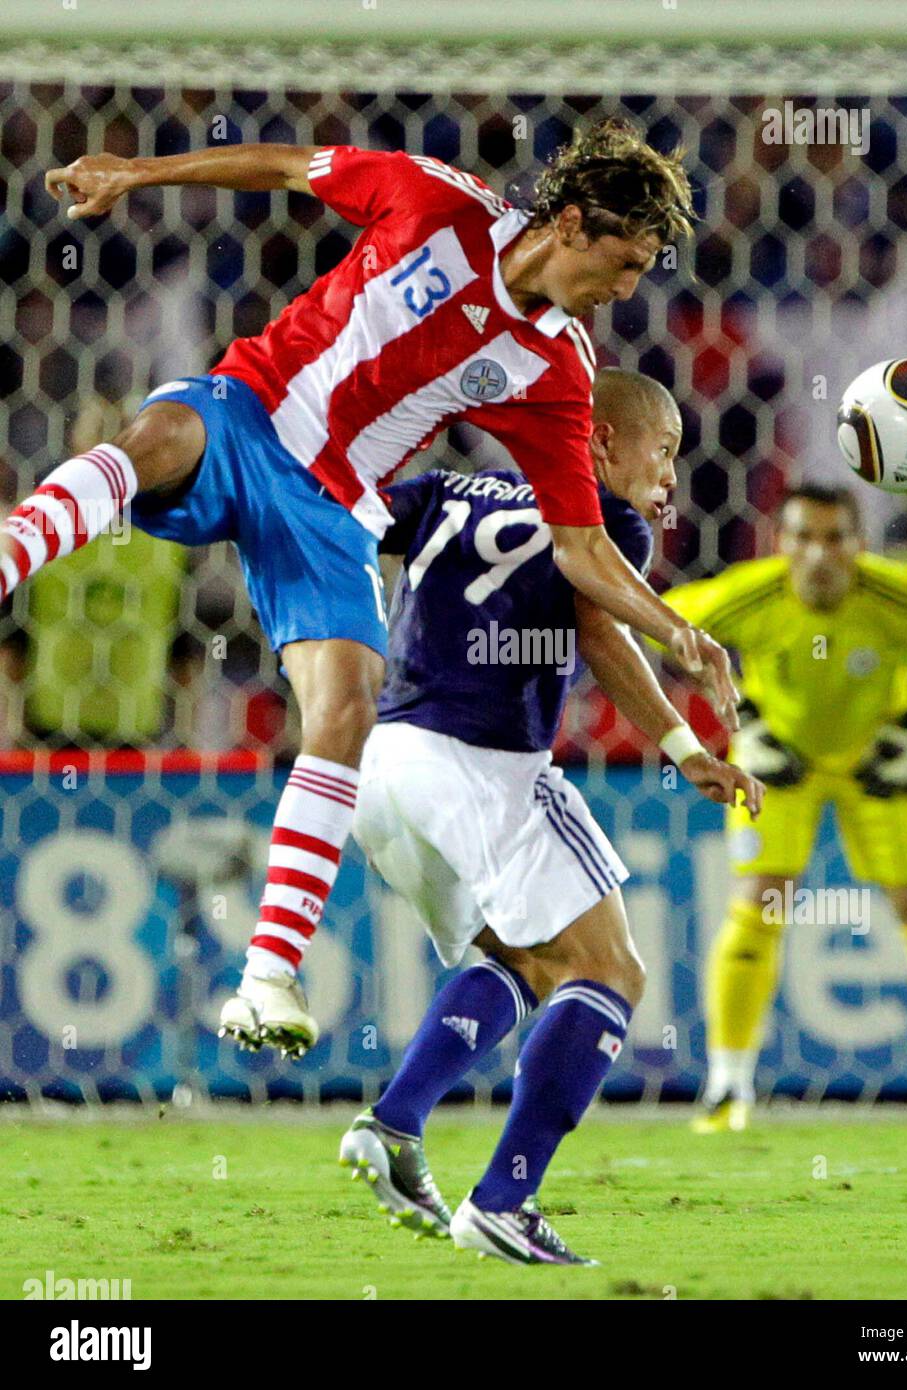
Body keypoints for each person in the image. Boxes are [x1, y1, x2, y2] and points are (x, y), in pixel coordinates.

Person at [5, 120, 739, 1055]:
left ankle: (266, 979)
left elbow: (581, 547)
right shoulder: (436, 200)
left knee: (347, 710)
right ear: (569, 223)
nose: (629, 286)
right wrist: (135, 174)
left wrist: (679, 632)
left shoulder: (554, 370)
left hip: (334, 507)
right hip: (253, 407)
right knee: (161, 438)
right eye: (625, 260)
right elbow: (283, 165)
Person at [341, 370, 764, 1265]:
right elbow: (600, 630)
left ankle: (393, 1125)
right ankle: (503, 1200)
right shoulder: (607, 523)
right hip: (484, 763)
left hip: (383, 770)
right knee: (612, 969)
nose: (669, 478)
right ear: (602, 442)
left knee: (523, 955)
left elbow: (347, 520)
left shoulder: (449, 490)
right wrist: (688, 741)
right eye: (664, 451)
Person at [658, 484, 907, 1133]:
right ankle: (725, 1091)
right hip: (780, 762)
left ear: (859, 545)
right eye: (803, 537)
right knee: (757, 903)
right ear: (782, 542)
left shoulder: (893, 594)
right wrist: (746, 716)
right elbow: (662, 627)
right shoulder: (752, 592)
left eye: (834, 538)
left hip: (876, 757)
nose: (818, 554)